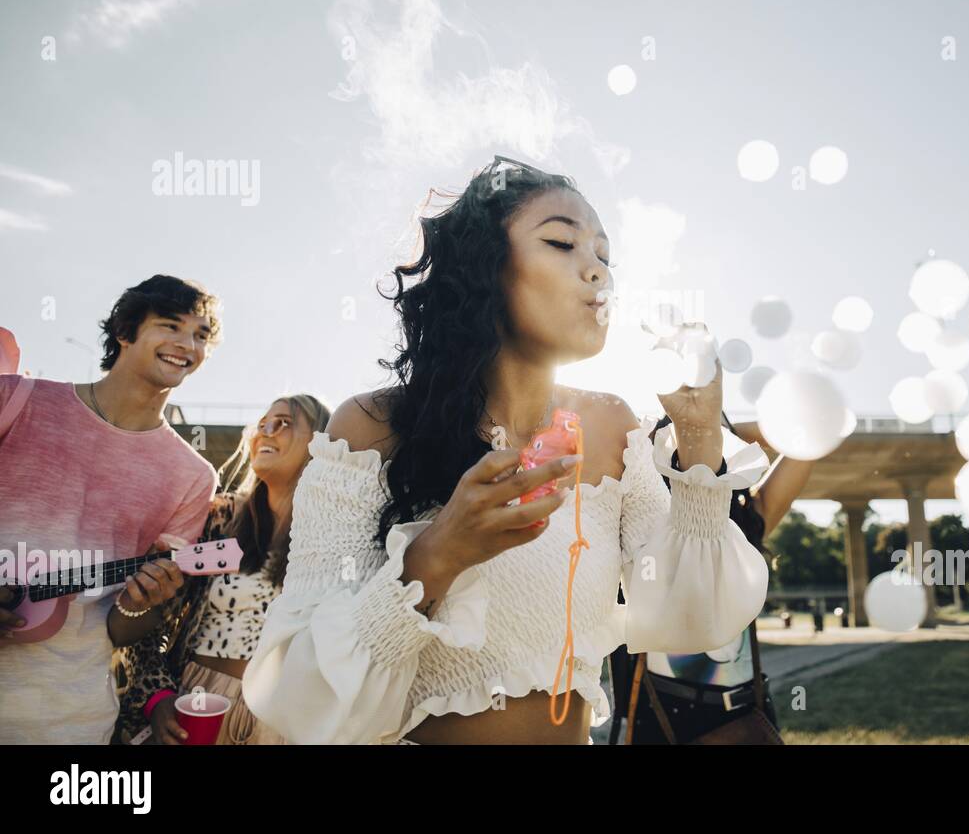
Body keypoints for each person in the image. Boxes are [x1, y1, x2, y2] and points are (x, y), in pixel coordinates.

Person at [242, 155, 771, 744]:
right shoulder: (369, 429)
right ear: (484, 267)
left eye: (604, 255)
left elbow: (692, 616)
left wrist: (698, 441)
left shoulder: (612, 426)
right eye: (562, 243)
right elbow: (298, 695)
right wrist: (438, 555)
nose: (596, 271)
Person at [0, 275, 221, 743]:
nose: (188, 345)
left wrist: (144, 605)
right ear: (125, 331)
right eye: (171, 326)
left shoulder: (193, 477)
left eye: (201, 336)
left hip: (69, 720)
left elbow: (120, 629)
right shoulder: (15, 400)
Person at [112, 394, 331, 745]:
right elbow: (153, 614)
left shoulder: (337, 538)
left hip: (288, 718)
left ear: (319, 442)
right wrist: (157, 697)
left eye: (283, 424)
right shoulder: (217, 519)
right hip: (199, 703)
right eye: (262, 424)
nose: (266, 433)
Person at [607, 412, 814, 743]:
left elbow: (808, 432)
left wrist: (719, 427)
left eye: (715, 441)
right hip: (661, 713)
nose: (701, 450)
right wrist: (698, 425)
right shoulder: (633, 526)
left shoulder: (742, 527)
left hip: (746, 711)